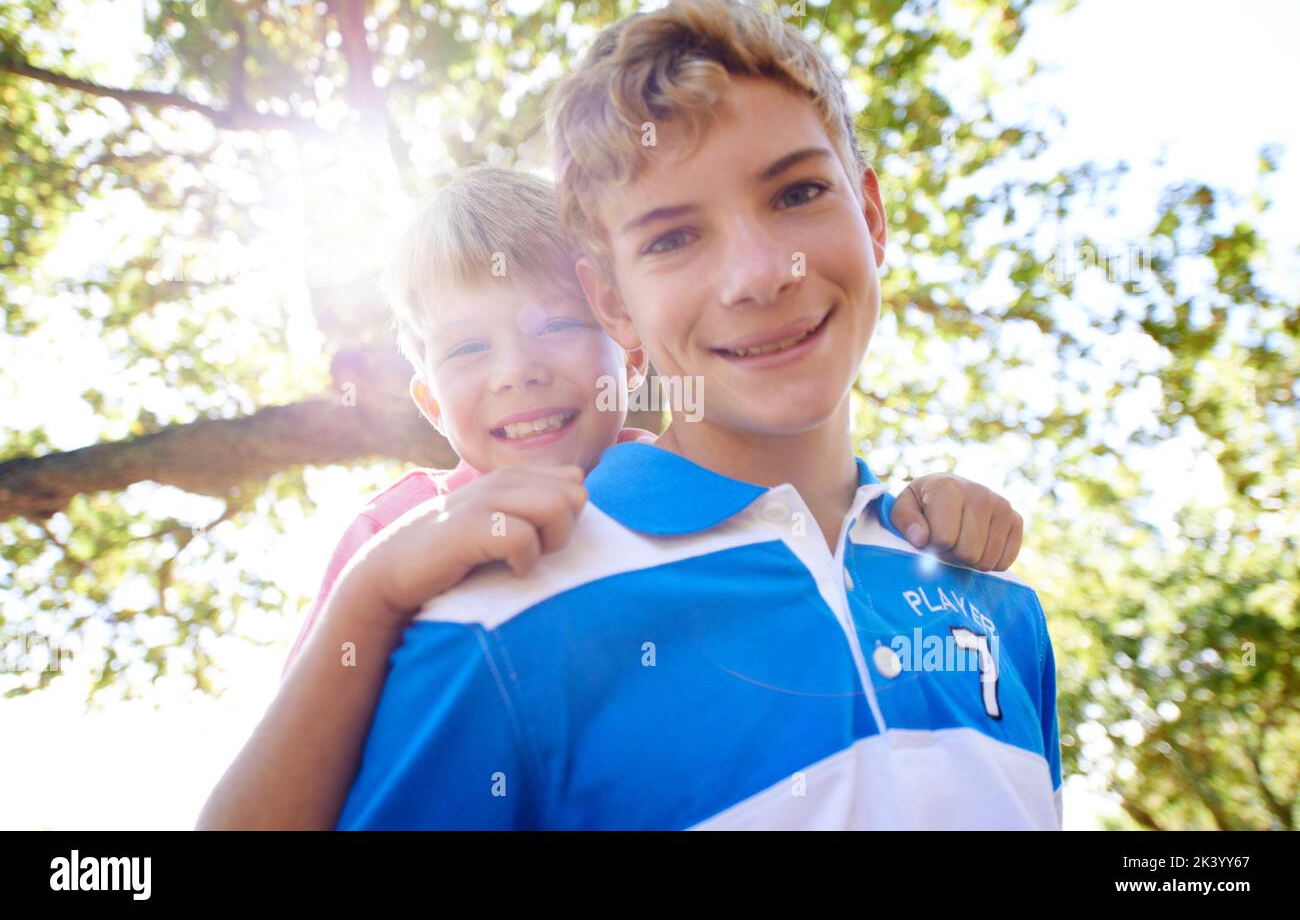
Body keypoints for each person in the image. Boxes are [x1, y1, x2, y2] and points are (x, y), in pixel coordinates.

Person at [326, 0, 1062, 830]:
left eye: (796, 193)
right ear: (611, 300)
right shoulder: (486, 623)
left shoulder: (998, 607)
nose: (757, 273)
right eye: (672, 239)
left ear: (872, 214)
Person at [195, 164, 1025, 830]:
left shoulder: (707, 496)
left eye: (556, 325)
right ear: (431, 405)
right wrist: (373, 592)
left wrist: (923, 512)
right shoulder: (398, 532)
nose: (517, 369)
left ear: (627, 347)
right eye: (468, 346)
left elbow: (822, 534)